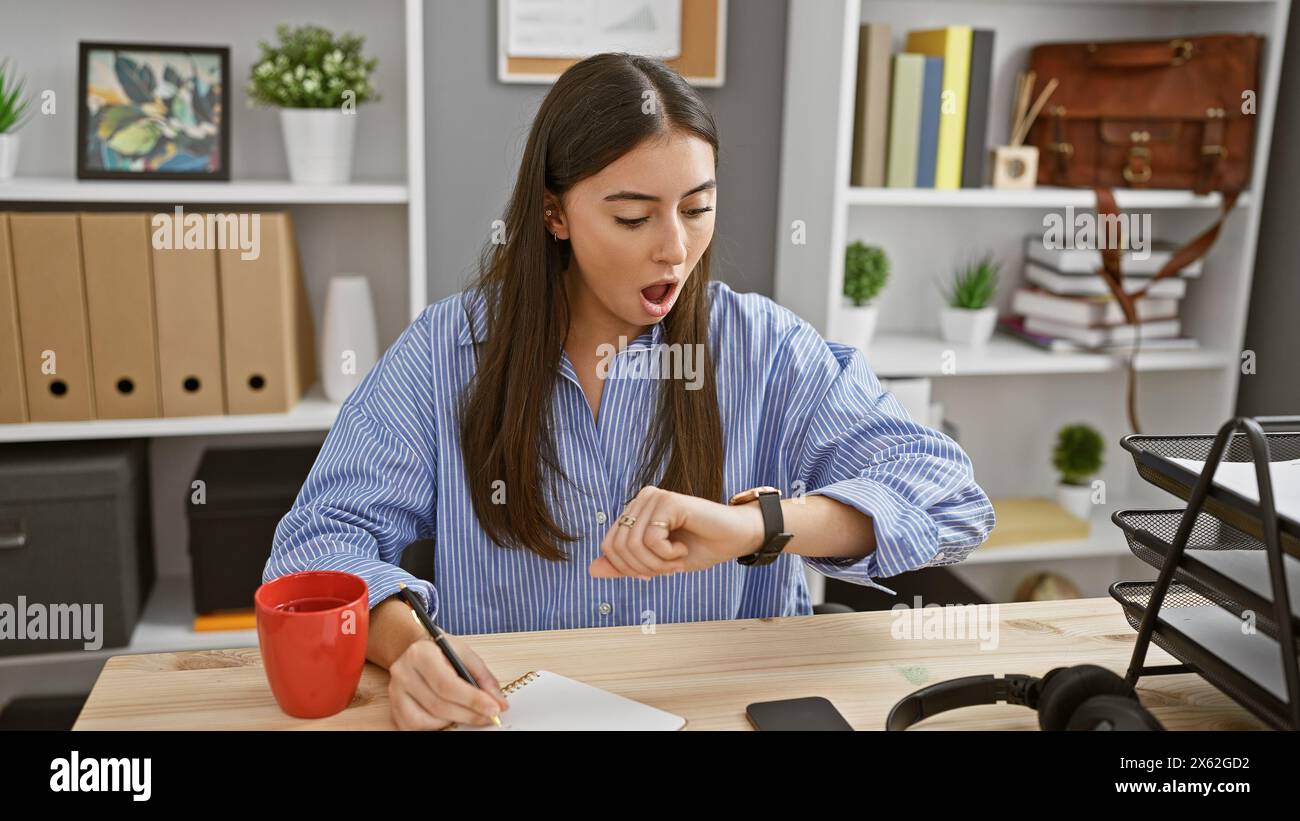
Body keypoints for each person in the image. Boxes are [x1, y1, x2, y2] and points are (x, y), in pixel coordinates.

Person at [264, 52, 995, 730]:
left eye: (697, 207)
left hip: (720, 710)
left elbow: (949, 495)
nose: (673, 247)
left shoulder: (763, 348)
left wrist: (757, 527)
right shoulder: (445, 353)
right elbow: (313, 545)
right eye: (632, 216)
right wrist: (410, 644)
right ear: (554, 214)